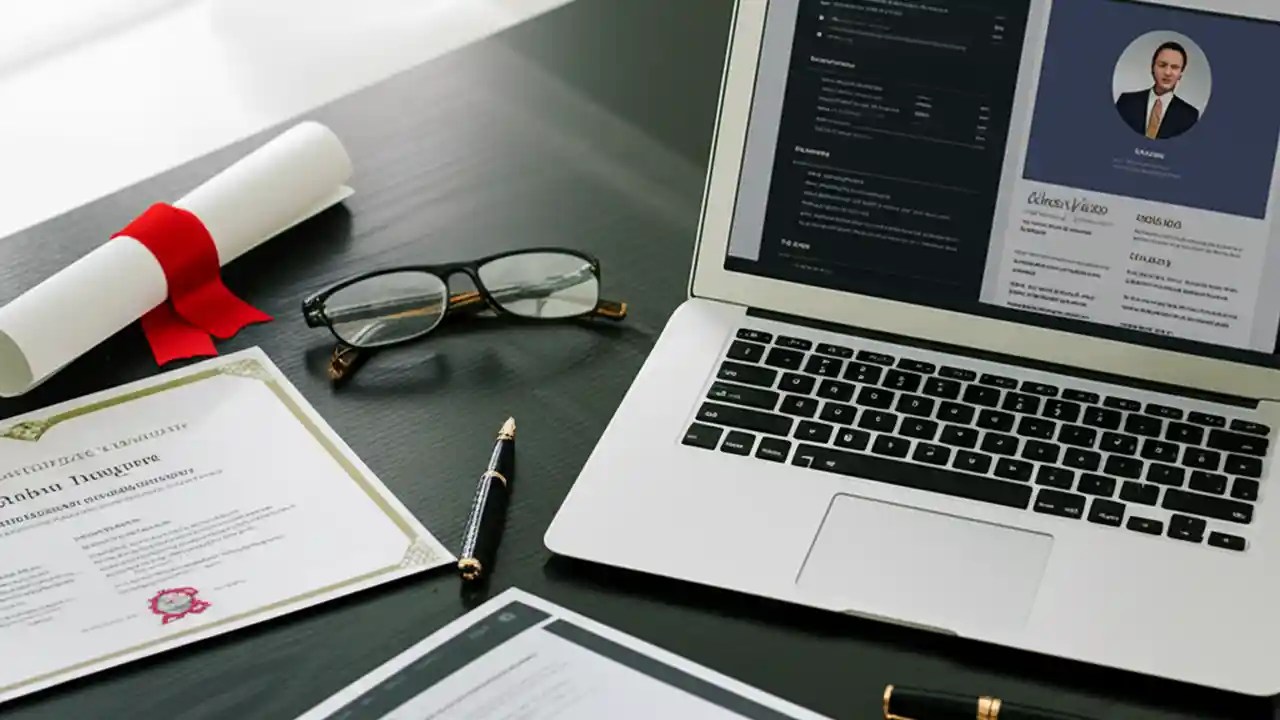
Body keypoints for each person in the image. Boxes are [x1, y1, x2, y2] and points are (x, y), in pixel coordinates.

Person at [1115, 41, 1201, 140]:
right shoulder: (1126, 101)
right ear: (1152, 68)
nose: (1167, 72)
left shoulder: (1190, 116)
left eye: (1174, 67)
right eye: (1162, 65)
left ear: (1181, 74)